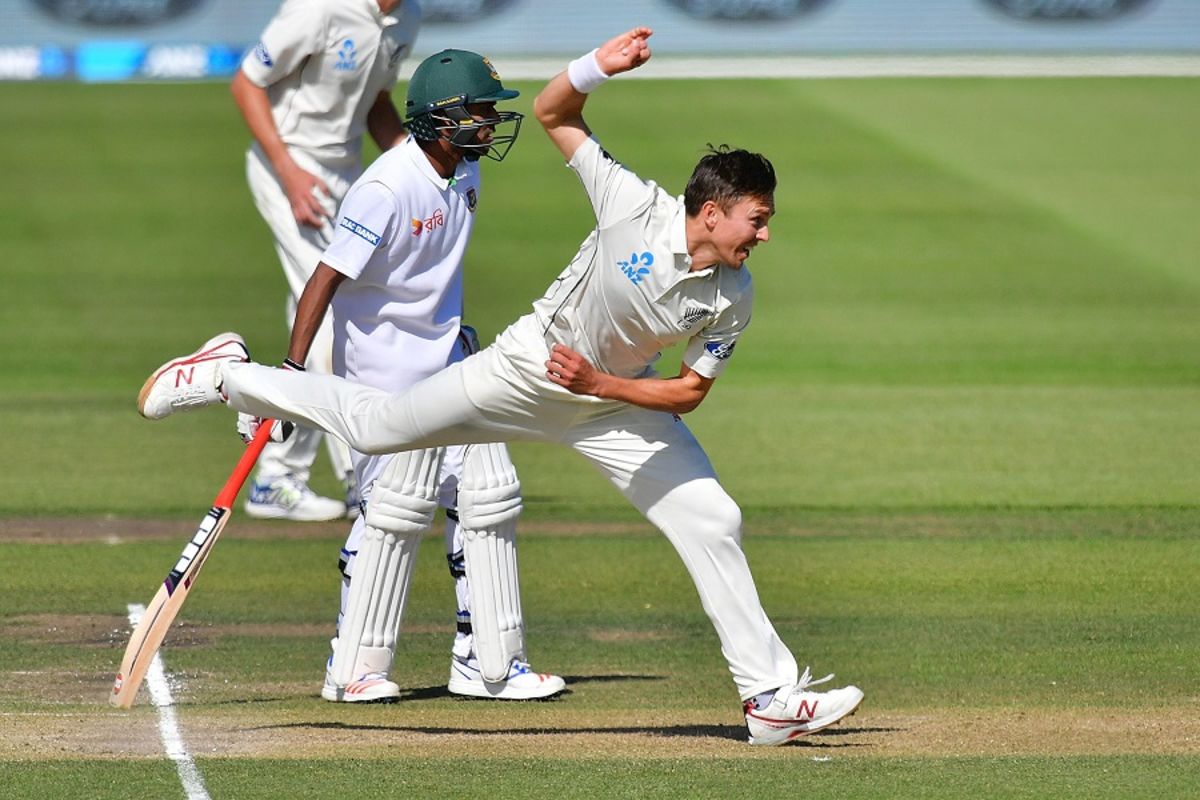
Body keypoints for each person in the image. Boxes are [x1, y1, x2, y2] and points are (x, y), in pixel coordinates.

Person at [138, 27, 864, 744]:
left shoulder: (735, 294)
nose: (764, 236)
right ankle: (228, 376)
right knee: (377, 430)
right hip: (526, 368)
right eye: (757, 220)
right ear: (711, 211)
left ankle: (768, 697)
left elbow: (687, 394)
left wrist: (599, 382)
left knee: (712, 518)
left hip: (611, 403)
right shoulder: (631, 204)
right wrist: (598, 64)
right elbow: (554, 111)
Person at [265, 46, 562, 702]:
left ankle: (483, 661)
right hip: (383, 381)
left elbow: (432, 274)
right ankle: (351, 667)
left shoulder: (465, 169)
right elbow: (325, 277)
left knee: (483, 497)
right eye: (481, 112)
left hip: (448, 368)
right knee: (386, 517)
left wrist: (453, 335)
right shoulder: (385, 188)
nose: (492, 123)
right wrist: (290, 373)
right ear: (441, 118)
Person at [230, 0, 420, 521]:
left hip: (349, 176)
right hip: (289, 168)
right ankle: (354, 477)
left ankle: (280, 477)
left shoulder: (408, 17)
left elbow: (376, 102)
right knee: (331, 319)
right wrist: (289, 172)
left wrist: (417, 166)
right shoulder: (319, 8)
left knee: (314, 318)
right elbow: (247, 84)